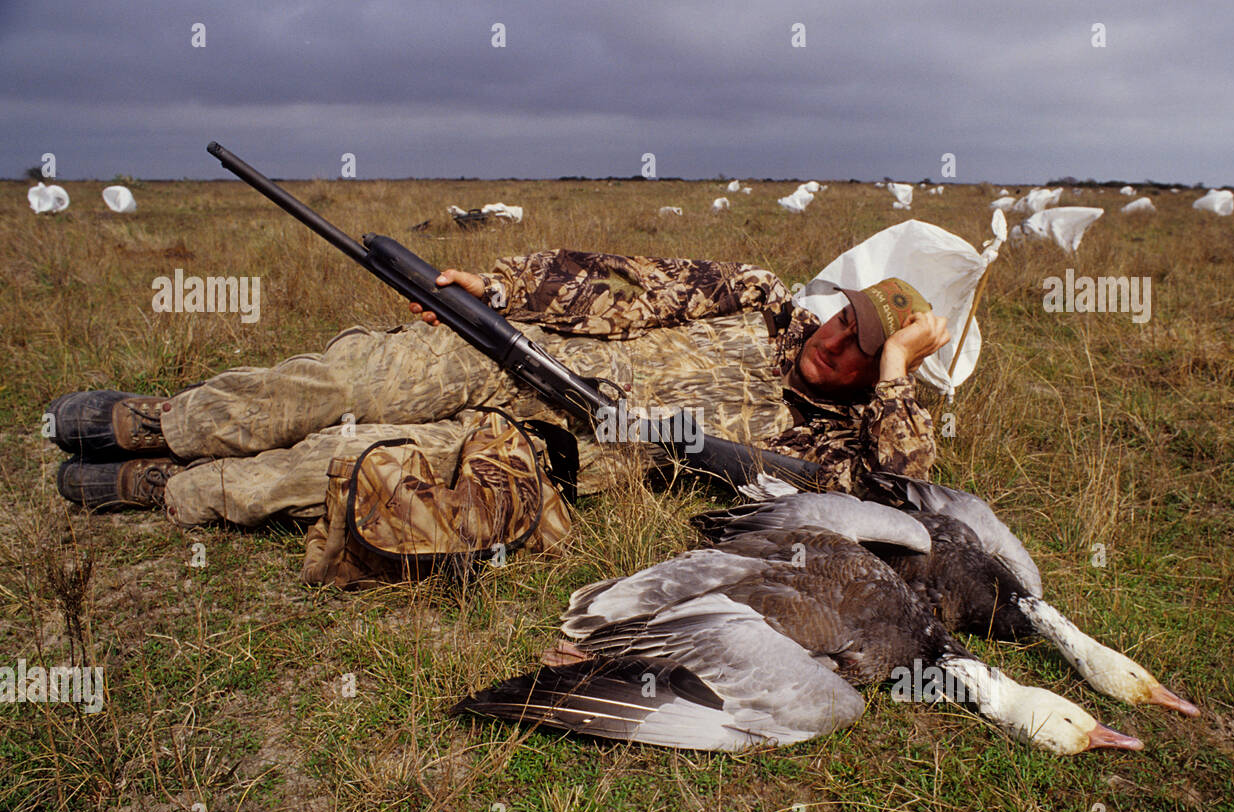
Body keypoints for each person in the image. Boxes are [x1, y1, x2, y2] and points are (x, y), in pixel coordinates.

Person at [47, 249, 949, 527]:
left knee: (350, 464)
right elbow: (623, 286)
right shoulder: (756, 298)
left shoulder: (832, 447)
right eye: (846, 320)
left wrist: (902, 373)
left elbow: (905, 488)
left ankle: (171, 489)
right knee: (349, 376)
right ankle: (164, 422)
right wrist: (508, 292)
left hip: (550, 453)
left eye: (865, 348)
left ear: (881, 369)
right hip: (519, 354)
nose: (837, 342)